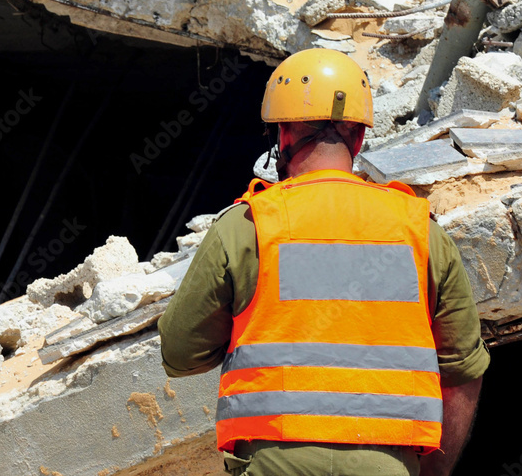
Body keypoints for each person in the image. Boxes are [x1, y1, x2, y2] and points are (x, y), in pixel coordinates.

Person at [158, 49, 488, 476]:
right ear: (359, 138)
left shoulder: (247, 225)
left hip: (273, 464)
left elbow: (180, 353)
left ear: (282, 134)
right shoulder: (419, 229)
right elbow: (463, 369)